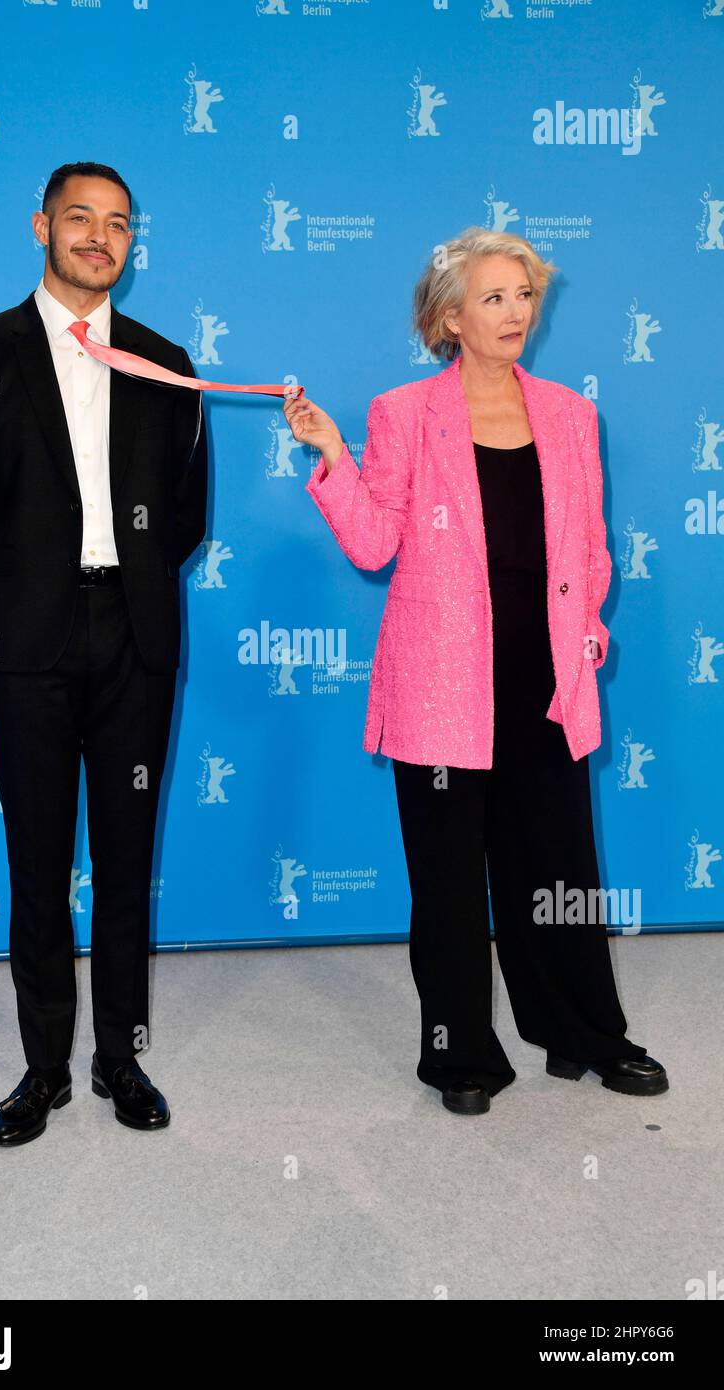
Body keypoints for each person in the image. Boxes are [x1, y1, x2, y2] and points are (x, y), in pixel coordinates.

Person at [284, 226, 667, 1116]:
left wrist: (585, 641)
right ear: (450, 318)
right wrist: (334, 456)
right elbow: (377, 542)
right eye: (494, 297)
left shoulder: (573, 415)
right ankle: (461, 1056)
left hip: (546, 682)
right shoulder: (404, 413)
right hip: (442, 683)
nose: (516, 312)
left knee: (559, 872)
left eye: (524, 294)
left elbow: (592, 551)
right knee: (451, 882)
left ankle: (583, 1033)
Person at [0, 161, 207, 1144]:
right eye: (80, 218)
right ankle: (42, 1068)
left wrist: (123, 597)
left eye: (118, 223)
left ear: (133, 241)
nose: (99, 237)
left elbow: (186, 509)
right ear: (41, 225)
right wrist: (16, 602)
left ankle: (119, 1059)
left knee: (126, 861)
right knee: (38, 861)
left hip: (134, 640)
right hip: (29, 645)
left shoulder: (167, 361)